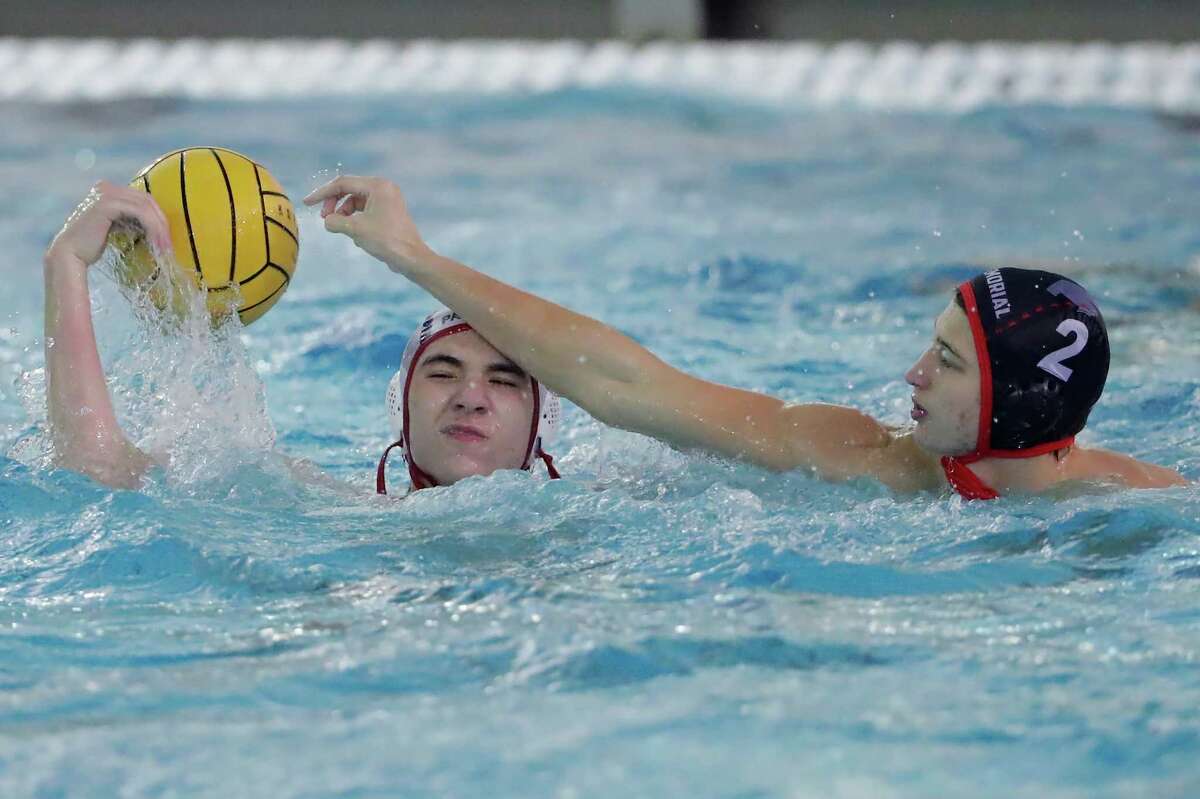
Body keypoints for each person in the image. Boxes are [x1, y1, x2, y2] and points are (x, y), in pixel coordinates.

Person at [304, 175, 1187, 500]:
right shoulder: (861, 457)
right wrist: (413, 256)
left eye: (947, 361)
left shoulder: (1136, 510)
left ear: (1013, 404)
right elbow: (630, 386)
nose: (912, 374)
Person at [42, 181, 559, 493]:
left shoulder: (595, 507)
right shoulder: (328, 509)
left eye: (503, 381)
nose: (470, 398)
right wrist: (66, 263)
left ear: (542, 421)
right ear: (400, 408)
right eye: (443, 373)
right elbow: (102, 471)